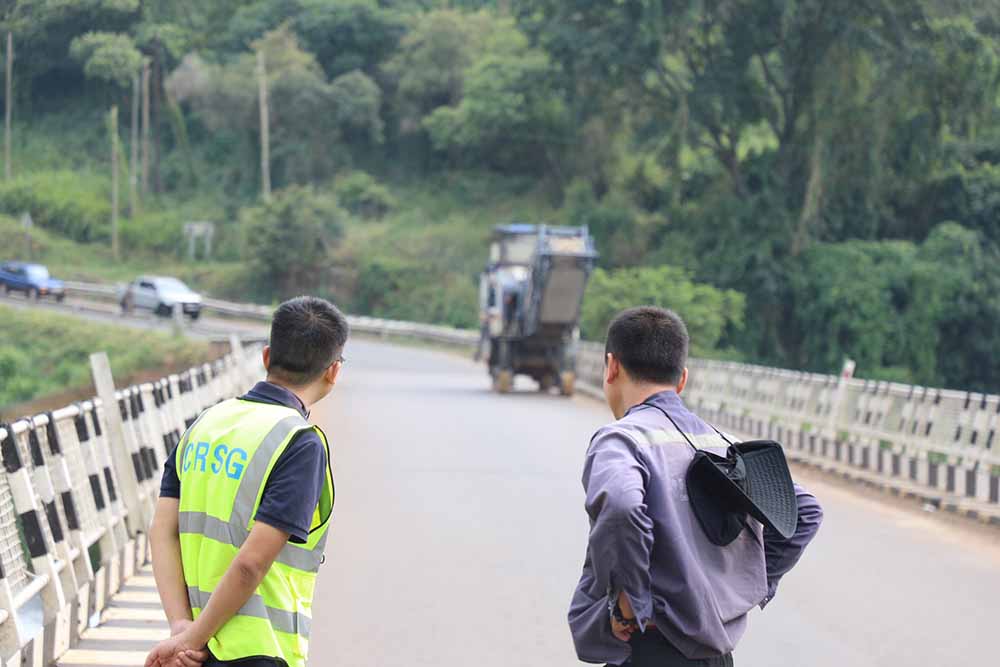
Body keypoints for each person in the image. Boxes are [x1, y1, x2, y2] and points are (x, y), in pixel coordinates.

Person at [568, 306, 823, 666]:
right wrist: (738, 585)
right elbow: (805, 511)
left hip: (650, 649)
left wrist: (631, 603)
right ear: (682, 378)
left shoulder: (622, 440)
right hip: (717, 656)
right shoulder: (722, 444)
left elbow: (622, 506)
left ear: (611, 366)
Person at [145, 296, 349, 667]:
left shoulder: (206, 423)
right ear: (333, 371)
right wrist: (193, 636)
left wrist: (182, 628)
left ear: (266, 357)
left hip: (195, 649)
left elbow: (161, 531)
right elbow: (250, 564)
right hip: (259, 649)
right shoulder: (299, 443)